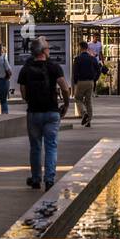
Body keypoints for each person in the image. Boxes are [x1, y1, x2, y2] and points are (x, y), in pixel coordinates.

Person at [19, 36, 71, 191]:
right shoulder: (54, 67)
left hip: (34, 112)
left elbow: (23, 92)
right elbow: (64, 87)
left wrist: (30, 100)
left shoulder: (26, 69)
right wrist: (66, 104)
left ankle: (35, 179)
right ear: (43, 51)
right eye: (48, 48)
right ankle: (49, 179)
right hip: (51, 112)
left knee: (35, 147)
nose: (49, 50)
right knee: (51, 146)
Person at [72, 38, 100, 127]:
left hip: (81, 81)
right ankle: (89, 121)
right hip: (90, 82)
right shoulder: (92, 58)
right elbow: (98, 69)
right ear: (87, 48)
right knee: (88, 101)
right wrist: (95, 79)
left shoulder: (78, 59)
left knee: (77, 98)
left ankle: (84, 113)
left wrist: (75, 82)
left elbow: (75, 72)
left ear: (80, 48)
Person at [0, 42, 12, 115]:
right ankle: (5, 116)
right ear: (0, 50)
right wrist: (8, 76)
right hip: (3, 81)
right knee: (4, 101)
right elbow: (8, 70)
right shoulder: (3, 57)